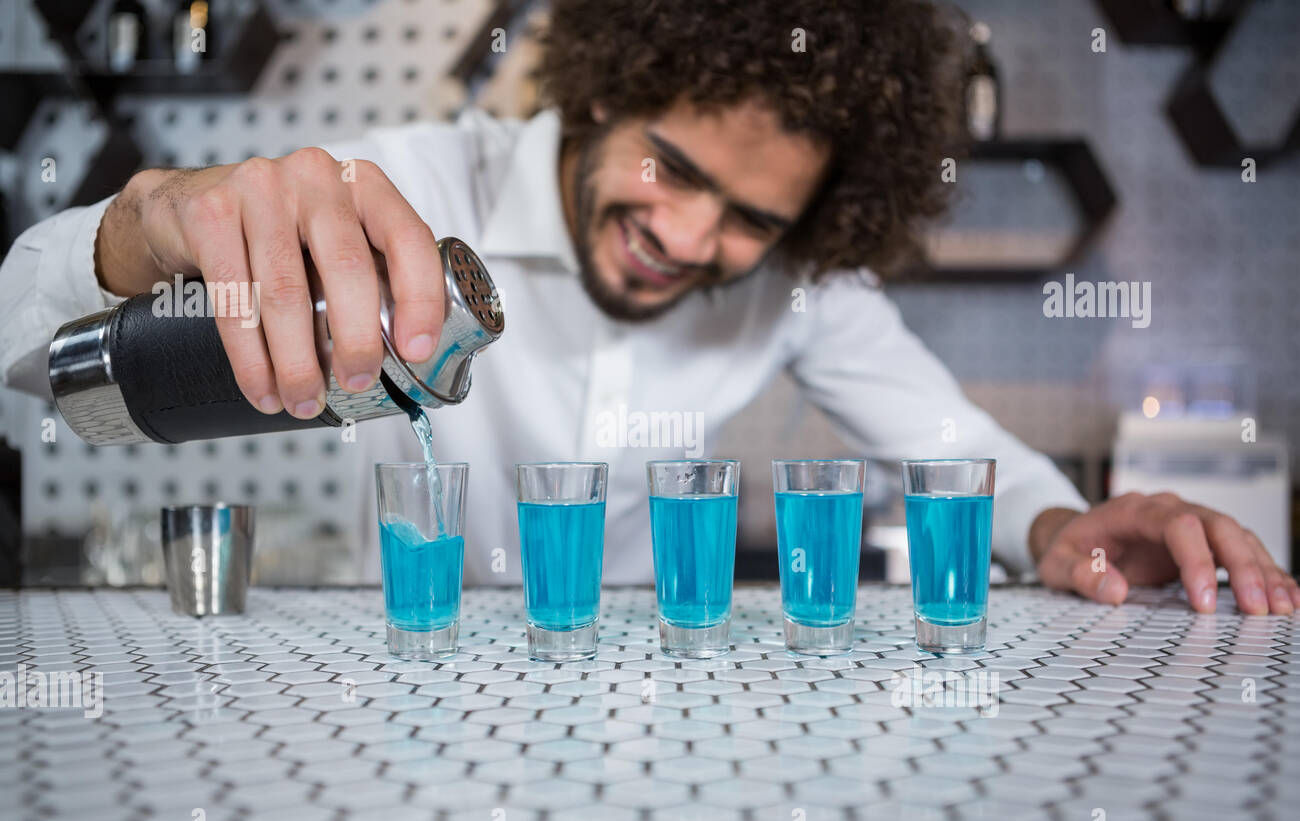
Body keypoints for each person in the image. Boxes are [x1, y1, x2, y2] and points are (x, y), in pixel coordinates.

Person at [0, 0, 1294, 613]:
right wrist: (136, 232)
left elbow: (969, 462)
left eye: (750, 217)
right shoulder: (405, 187)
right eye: (671, 167)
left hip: (639, 710)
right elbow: (17, 352)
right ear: (607, 86)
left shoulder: (796, 291)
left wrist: (1073, 525)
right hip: (386, 676)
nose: (686, 235)